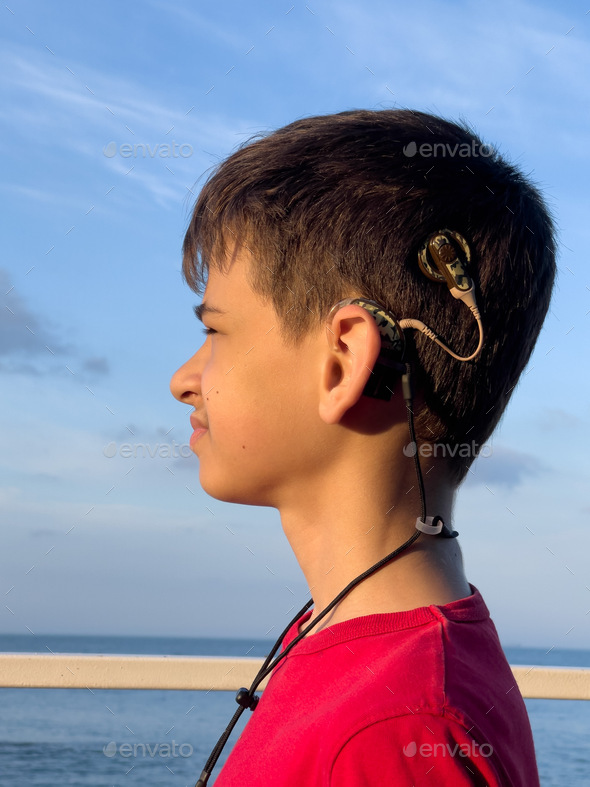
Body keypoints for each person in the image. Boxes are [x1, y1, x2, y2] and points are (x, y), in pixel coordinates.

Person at [170, 109, 555, 786]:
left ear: (345, 359)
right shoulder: (356, 654)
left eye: (217, 332)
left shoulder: (395, 733)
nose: (184, 380)